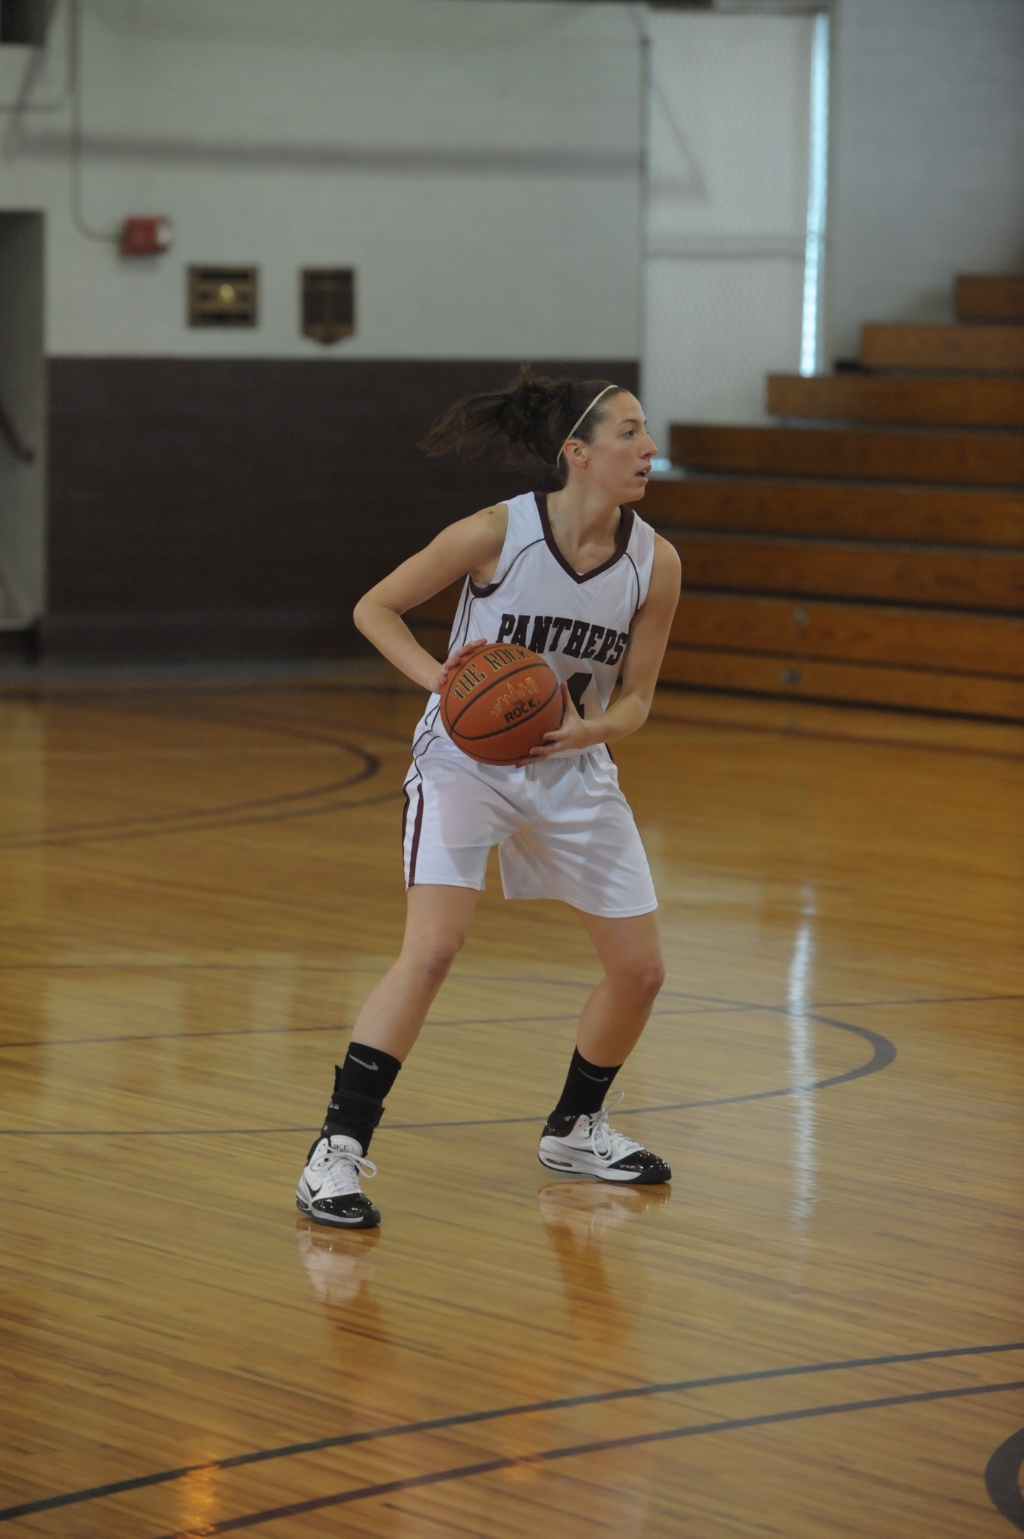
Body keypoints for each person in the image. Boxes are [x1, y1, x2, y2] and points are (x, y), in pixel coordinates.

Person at [296, 368, 682, 1229]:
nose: (649, 448)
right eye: (630, 432)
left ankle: (577, 1128)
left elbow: (638, 697)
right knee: (432, 950)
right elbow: (376, 607)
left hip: (572, 769)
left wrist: (597, 730)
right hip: (463, 766)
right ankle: (335, 1152)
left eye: (646, 431)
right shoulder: (495, 533)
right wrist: (445, 682)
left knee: (641, 969)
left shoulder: (657, 562)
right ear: (577, 452)